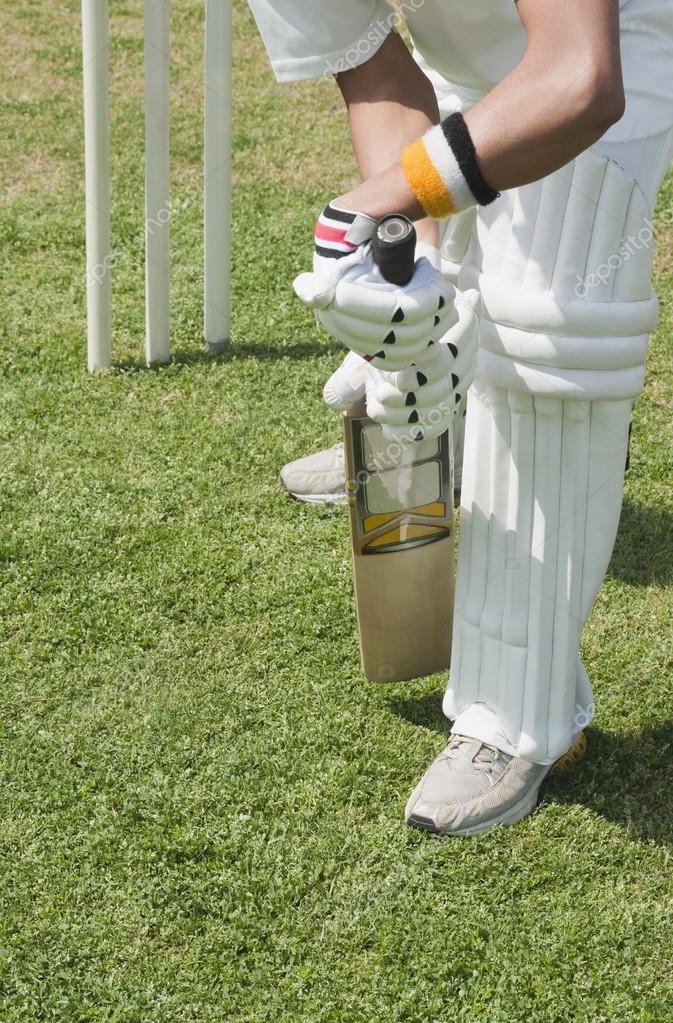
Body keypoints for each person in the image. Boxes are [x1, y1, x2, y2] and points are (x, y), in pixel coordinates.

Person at [247, 0, 673, 836]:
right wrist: (410, 277)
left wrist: (361, 210)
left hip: (617, 46)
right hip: (470, 72)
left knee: (545, 329)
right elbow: (375, 68)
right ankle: (450, 444)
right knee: (441, 304)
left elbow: (579, 80)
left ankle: (512, 718)